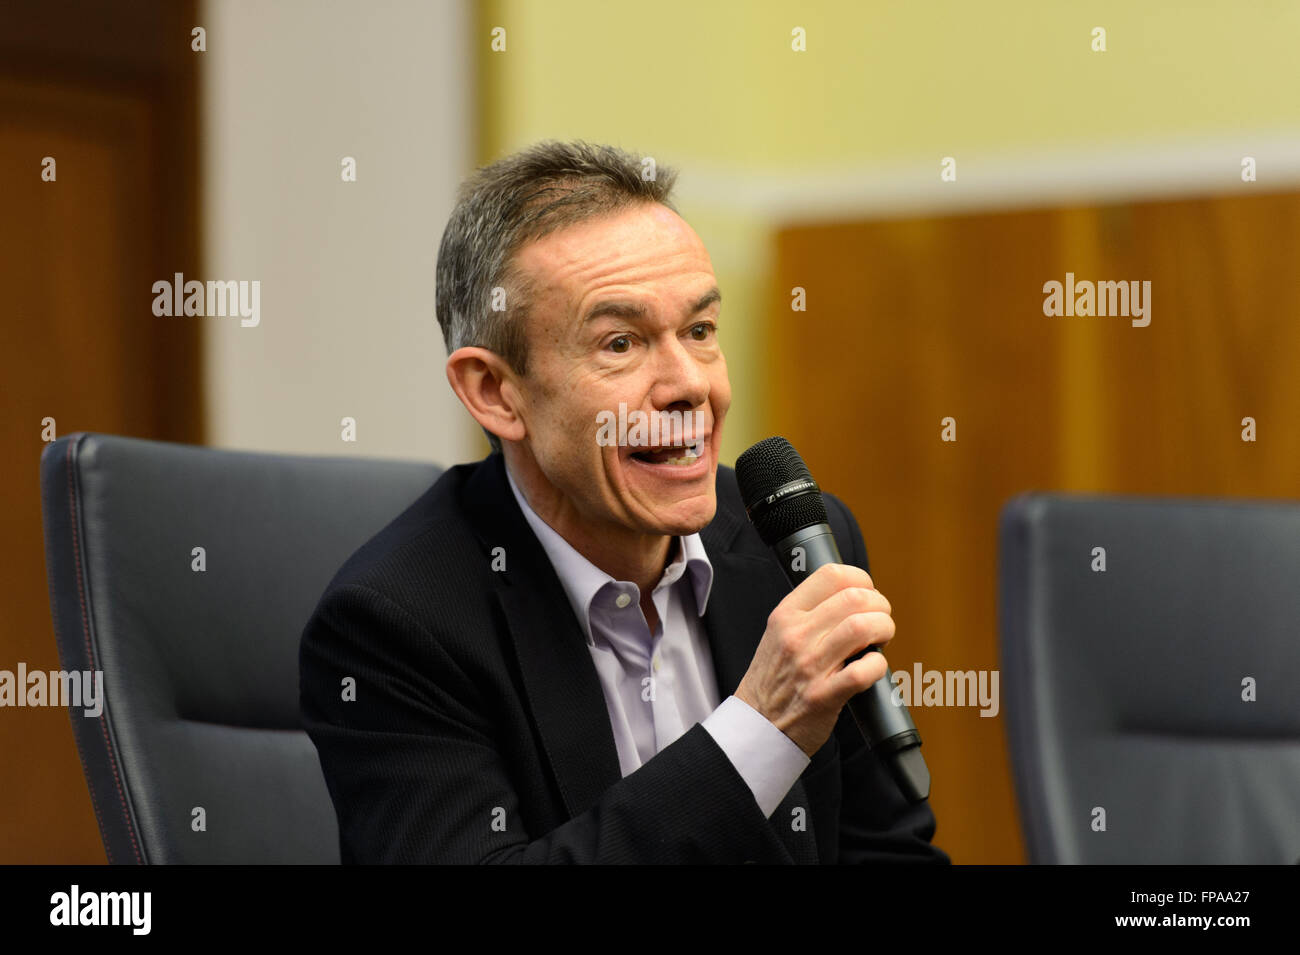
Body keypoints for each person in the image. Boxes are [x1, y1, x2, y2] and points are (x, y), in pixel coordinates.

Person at [299, 140, 950, 864]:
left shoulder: (792, 544)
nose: (688, 384)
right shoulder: (399, 623)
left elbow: (887, 853)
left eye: (700, 331)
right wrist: (760, 727)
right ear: (494, 392)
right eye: (620, 342)